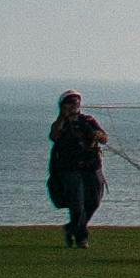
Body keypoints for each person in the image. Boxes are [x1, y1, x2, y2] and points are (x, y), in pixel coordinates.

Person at [46, 93, 107, 252]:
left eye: (76, 103)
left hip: (92, 166)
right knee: (77, 205)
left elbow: (104, 138)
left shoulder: (88, 121)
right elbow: (54, 136)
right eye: (70, 103)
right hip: (70, 169)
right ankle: (82, 237)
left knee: (93, 201)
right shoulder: (60, 123)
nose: (74, 106)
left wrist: (98, 135)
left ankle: (71, 227)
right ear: (63, 106)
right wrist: (63, 118)